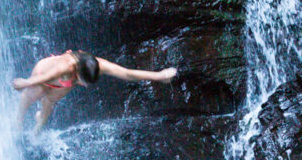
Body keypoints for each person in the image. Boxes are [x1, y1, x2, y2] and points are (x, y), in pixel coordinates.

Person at [12, 49, 178, 131]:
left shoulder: (97, 64)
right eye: (83, 81)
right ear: (76, 72)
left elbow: (127, 73)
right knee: (32, 96)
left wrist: (159, 76)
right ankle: (18, 120)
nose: (84, 86)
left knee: (48, 104)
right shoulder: (65, 67)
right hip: (43, 75)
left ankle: (39, 122)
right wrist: (26, 83)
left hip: (61, 84)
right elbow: (43, 78)